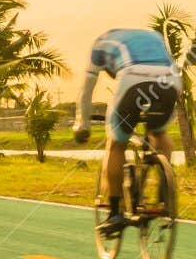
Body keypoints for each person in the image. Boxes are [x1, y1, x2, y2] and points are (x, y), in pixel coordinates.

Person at [72, 28, 181, 235]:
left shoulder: (98, 45)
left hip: (132, 79)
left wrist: (82, 125)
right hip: (170, 80)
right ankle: (165, 192)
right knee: (159, 133)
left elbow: (85, 92)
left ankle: (114, 213)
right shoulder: (155, 37)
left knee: (116, 144)